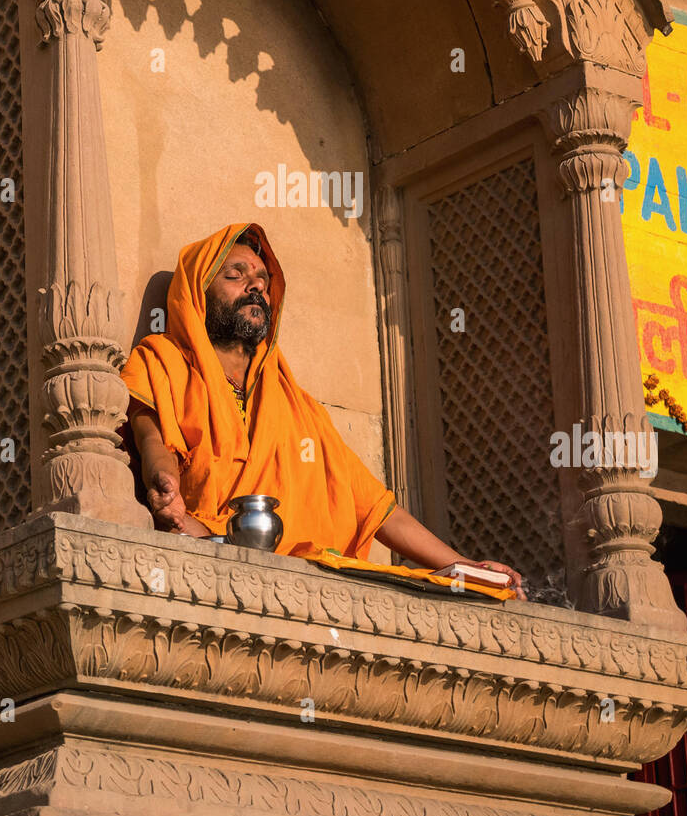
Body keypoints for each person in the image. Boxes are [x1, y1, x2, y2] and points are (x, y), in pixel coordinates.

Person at [122, 222, 525, 598]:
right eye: (236, 275)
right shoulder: (162, 361)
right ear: (197, 291)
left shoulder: (299, 406)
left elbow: (377, 508)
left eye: (262, 280)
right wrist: (166, 490)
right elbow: (152, 437)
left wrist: (462, 565)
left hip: (300, 582)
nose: (255, 287)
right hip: (203, 561)